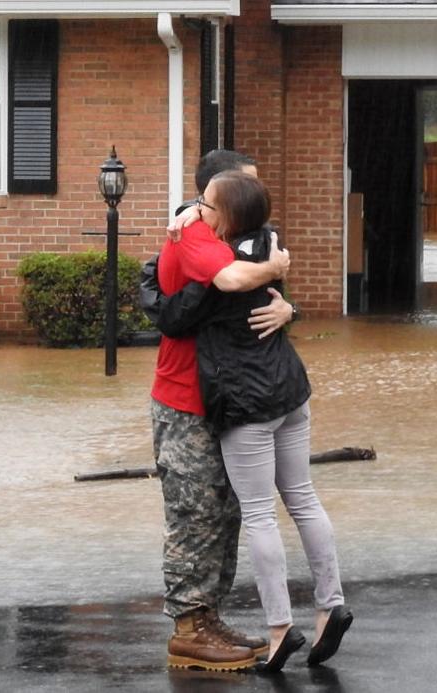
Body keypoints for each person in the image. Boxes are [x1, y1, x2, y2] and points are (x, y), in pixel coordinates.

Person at [160, 171, 352, 673]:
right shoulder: (271, 240)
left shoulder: (216, 255)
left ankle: (279, 628)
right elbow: (258, 272)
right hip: (289, 388)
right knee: (304, 497)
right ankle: (331, 606)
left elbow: (222, 282)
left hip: (245, 399)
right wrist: (279, 278)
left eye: (204, 203)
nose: (195, 208)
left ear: (222, 215)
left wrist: (274, 287)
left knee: (260, 514)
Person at [146, 151, 296, 672]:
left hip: (228, 398)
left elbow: (259, 297)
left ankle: (209, 616)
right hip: (184, 400)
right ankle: (189, 627)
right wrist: (275, 267)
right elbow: (232, 282)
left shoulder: (236, 238)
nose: (256, 201)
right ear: (211, 199)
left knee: (227, 511)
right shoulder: (192, 236)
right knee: (193, 512)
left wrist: (287, 304)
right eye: (243, 190)